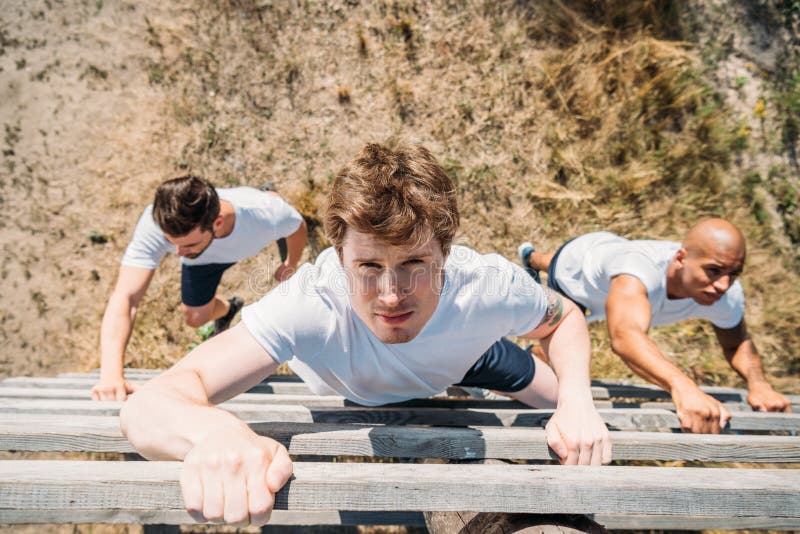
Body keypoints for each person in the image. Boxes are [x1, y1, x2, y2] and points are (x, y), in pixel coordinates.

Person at [120, 140, 612, 527]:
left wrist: (576, 400)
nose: (391, 295)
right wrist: (215, 432)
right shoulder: (311, 302)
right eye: (368, 266)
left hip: (471, 354)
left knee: (562, 407)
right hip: (359, 388)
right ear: (337, 257)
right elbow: (149, 405)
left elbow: (563, 317)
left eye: (415, 263)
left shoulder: (485, 286)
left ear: (447, 253)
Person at [518, 220, 792, 434]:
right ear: (680, 258)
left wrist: (760, 384)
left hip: (611, 256)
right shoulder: (637, 269)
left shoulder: (724, 293)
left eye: (733, 274)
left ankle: (532, 259)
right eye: (714, 270)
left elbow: (736, 342)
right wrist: (682, 386)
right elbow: (625, 337)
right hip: (577, 272)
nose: (723, 284)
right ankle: (530, 259)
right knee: (557, 337)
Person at [91, 176, 307, 401]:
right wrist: (110, 374)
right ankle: (229, 309)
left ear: (218, 222)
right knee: (194, 317)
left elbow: (297, 227)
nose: (178, 253)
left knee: (278, 209)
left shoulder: (267, 215)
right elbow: (126, 298)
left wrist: (290, 263)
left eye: (188, 244)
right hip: (203, 261)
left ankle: (268, 192)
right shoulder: (154, 224)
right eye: (171, 242)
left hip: (251, 228)